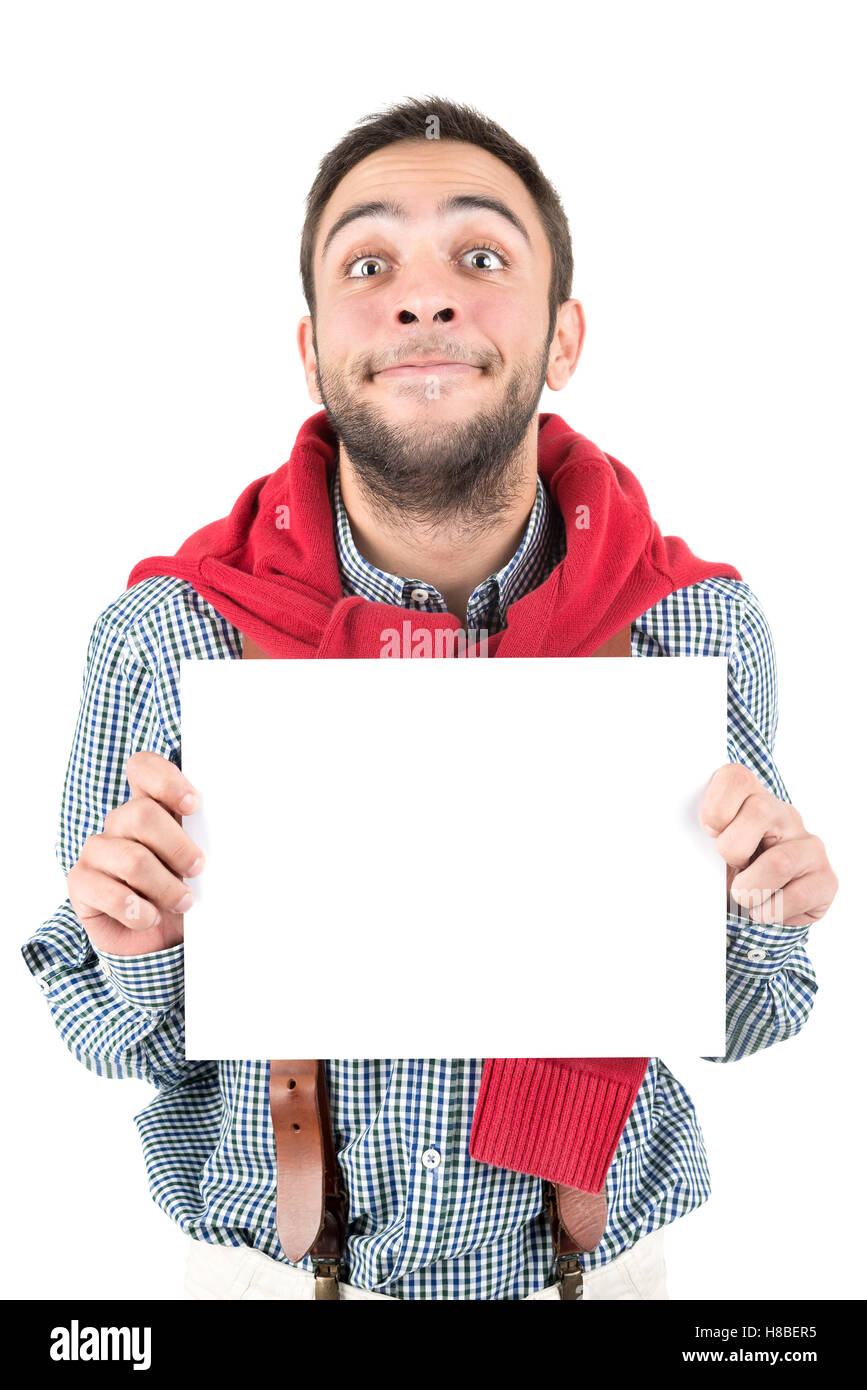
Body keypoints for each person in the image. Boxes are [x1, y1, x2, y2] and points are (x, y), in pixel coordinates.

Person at [22, 96, 838, 1301]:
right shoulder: (167, 635)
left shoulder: (694, 628)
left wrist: (768, 913)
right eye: (369, 263)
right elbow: (109, 1037)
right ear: (312, 347)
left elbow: (748, 1015)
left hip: (599, 1273)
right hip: (260, 1275)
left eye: (481, 256)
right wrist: (141, 946)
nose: (423, 297)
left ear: (562, 339)